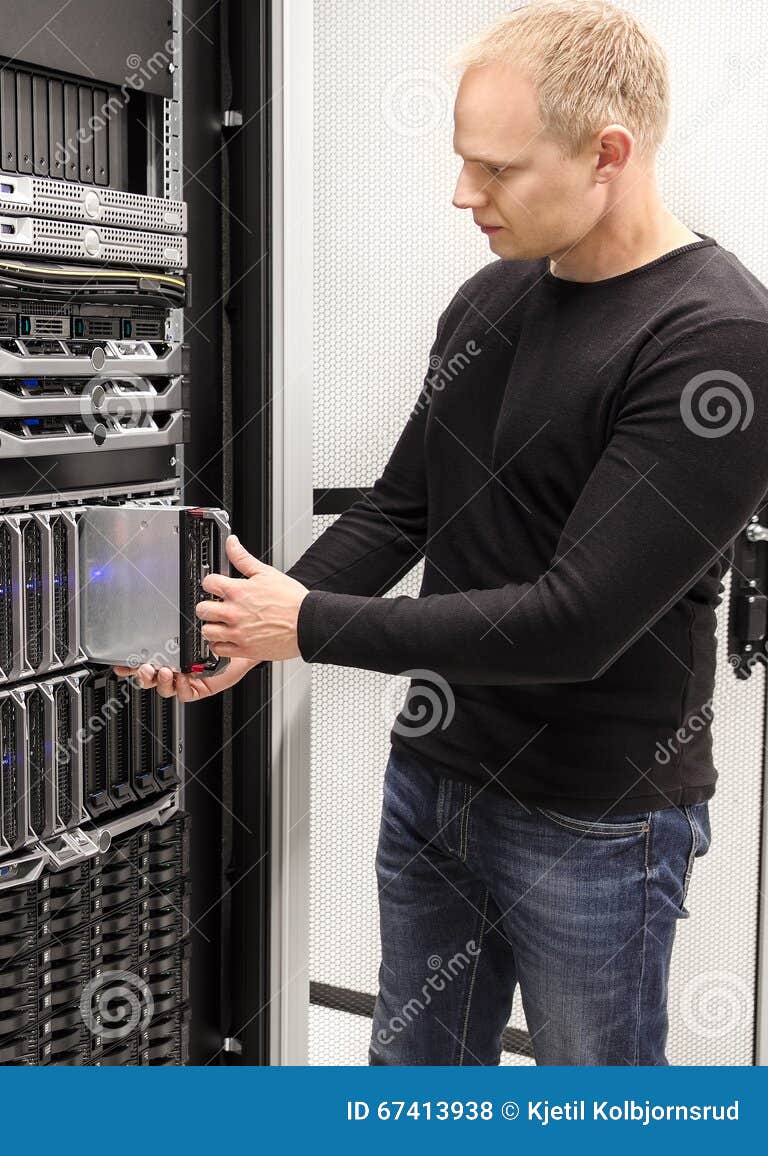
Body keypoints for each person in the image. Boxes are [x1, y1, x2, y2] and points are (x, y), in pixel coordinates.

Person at [120, 0, 768, 1064]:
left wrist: (309, 624)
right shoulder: (491, 298)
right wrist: (241, 625)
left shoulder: (716, 341)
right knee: (414, 1078)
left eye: (496, 169)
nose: (463, 194)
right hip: (434, 776)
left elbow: (576, 623)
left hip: (592, 818)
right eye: (464, 161)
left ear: (608, 153)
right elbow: (402, 508)